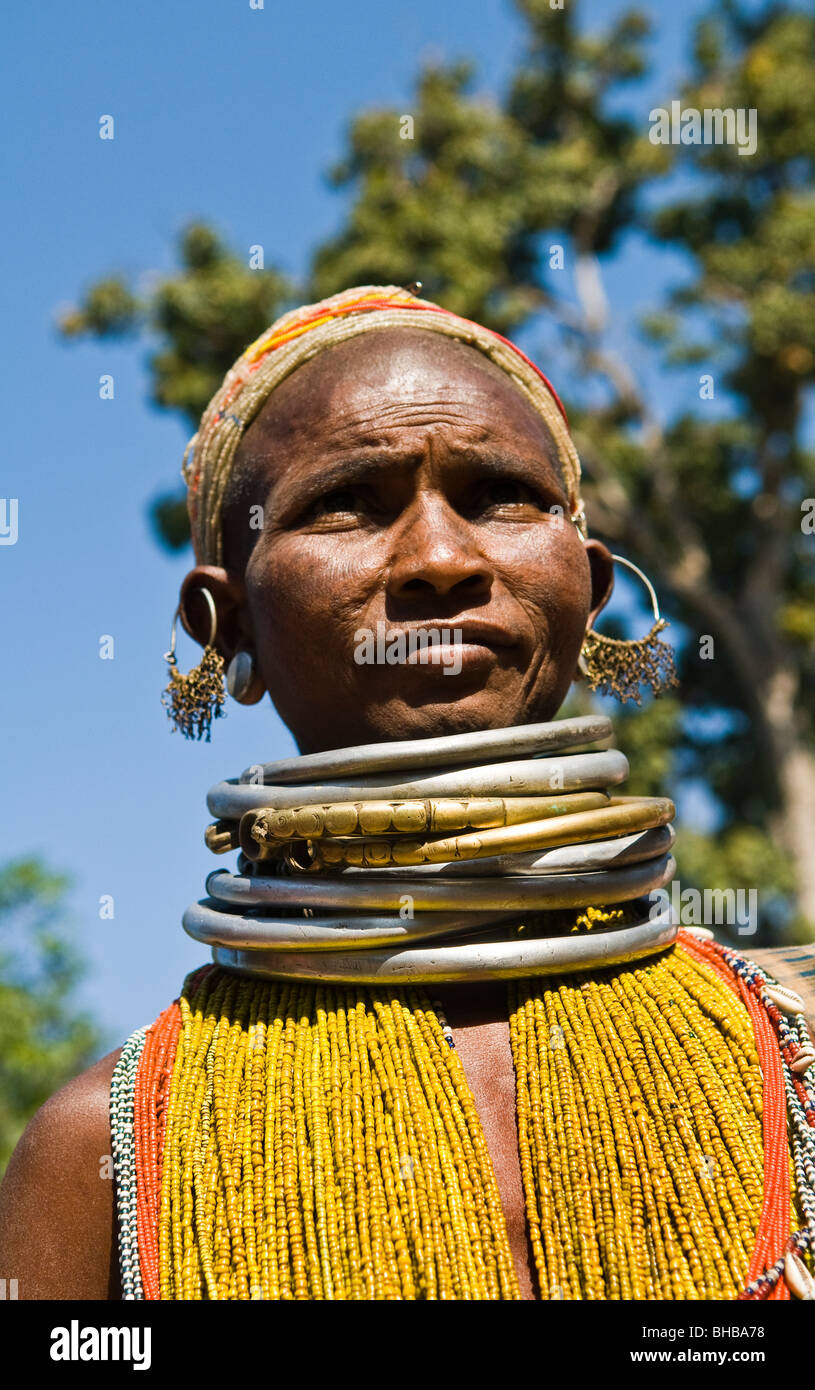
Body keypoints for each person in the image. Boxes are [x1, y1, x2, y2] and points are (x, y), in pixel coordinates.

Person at [1, 285, 813, 1302]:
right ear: (225, 628)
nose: (439, 558)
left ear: (590, 586)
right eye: (347, 502)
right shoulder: (106, 1160)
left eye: (499, 496)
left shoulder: (793, 1060)